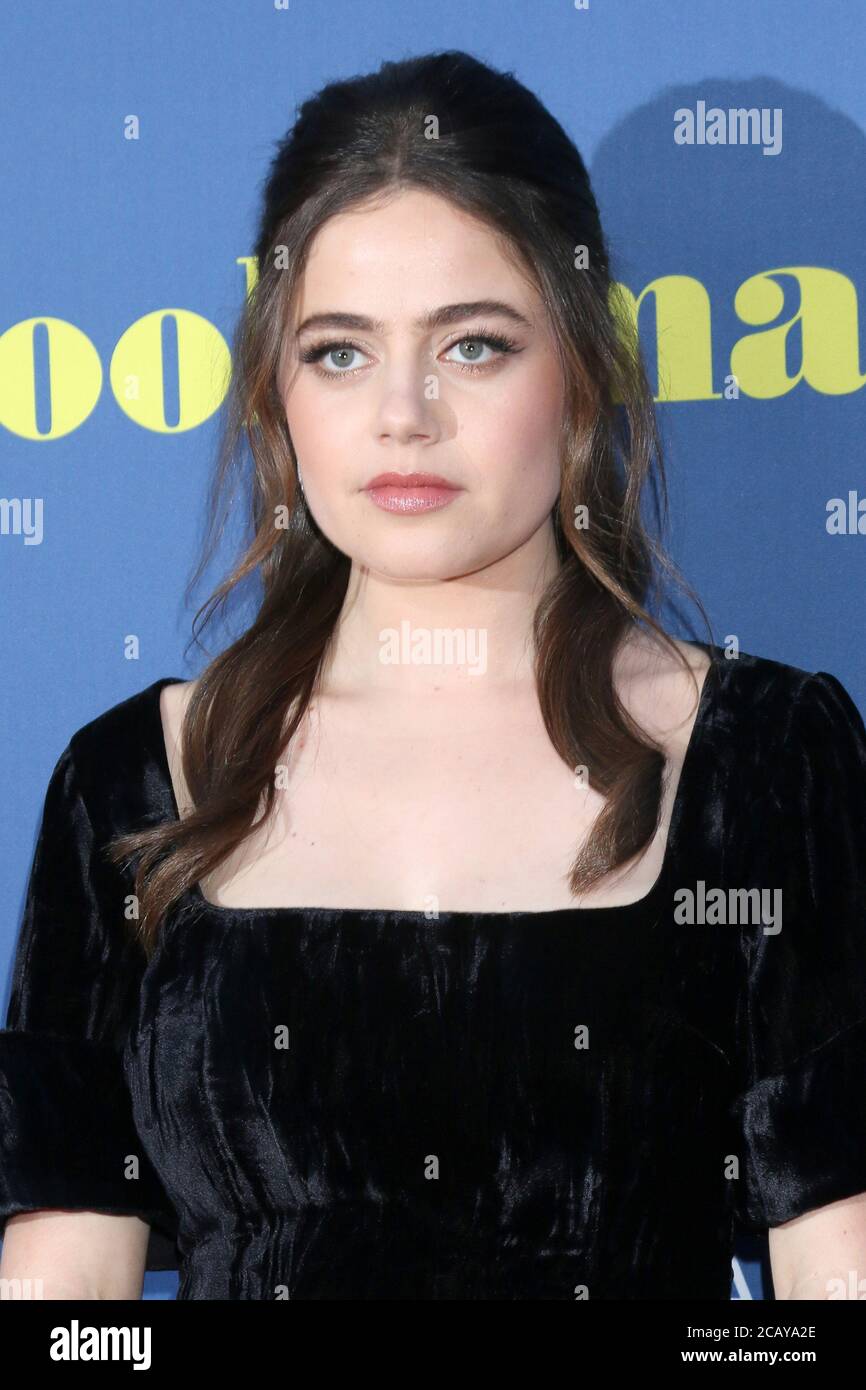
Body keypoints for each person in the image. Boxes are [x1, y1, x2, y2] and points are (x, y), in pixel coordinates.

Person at [2, 49, 866, 1301]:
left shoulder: (761, 760)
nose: (402, 412)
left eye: (472, 346)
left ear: (580, 374)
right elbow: (66, 1311)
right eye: (340, 353)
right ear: (274, 395)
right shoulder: (136, 787)